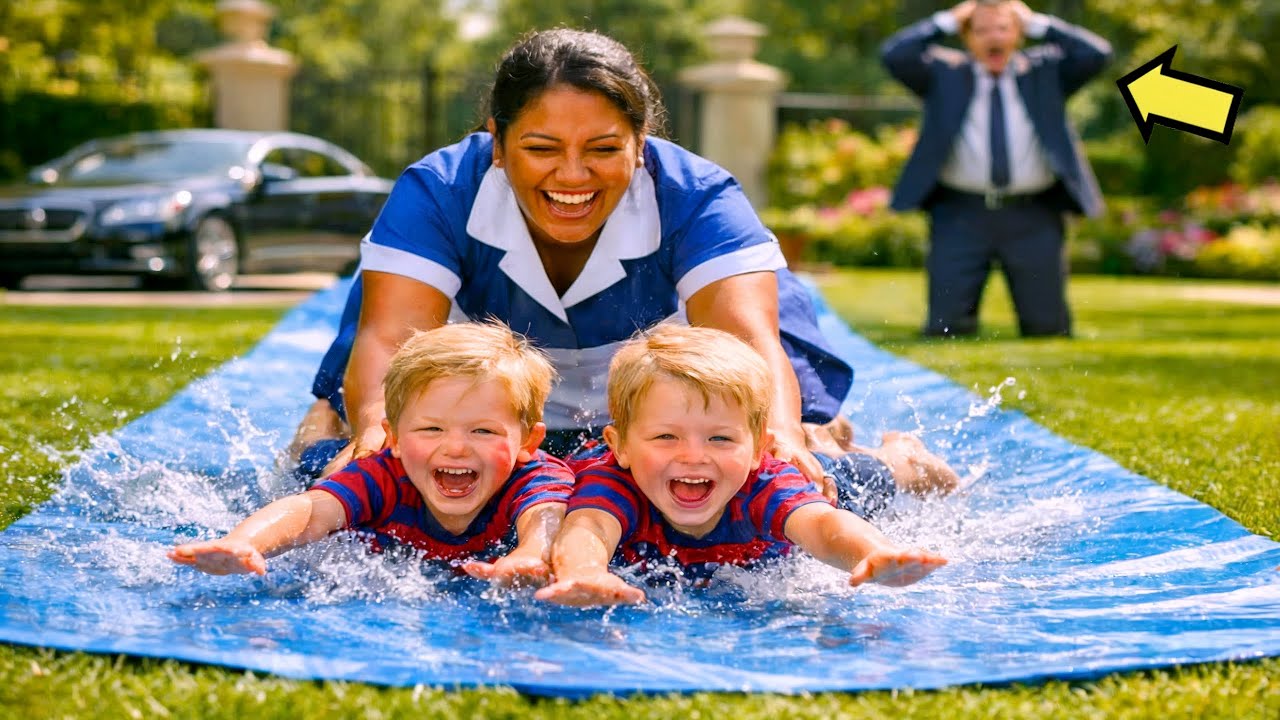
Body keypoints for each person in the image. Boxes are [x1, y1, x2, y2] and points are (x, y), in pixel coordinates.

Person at [292, 27, 957, 509]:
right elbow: (390, 337)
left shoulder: (697, 196)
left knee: (788, 482)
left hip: (673, 387)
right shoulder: (439, 189)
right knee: (343, 479)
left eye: (604, 149)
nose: (572, 175)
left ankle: (890, 461)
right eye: (542, 148)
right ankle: (329, 419)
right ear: (497, 143)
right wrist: (374, 428)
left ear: (641, 145)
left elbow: (749, 345)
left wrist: (781, 437)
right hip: (487, 388)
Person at [535, 325, 948, 606]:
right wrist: (585, 572)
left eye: (719, 438)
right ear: (621, 446)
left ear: (758, 450)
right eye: (666, 437)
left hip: (823, 476)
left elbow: (824, 525)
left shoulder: (766, 481)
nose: (693, 456)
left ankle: (898, 454)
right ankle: (823, 430)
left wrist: (873, 552)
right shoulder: (611, 481)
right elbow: (587, 528)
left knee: (868, 479)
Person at [170, 322, 574, 584]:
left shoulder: (536, 478)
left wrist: (529, 555)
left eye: (483, 431)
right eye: (431, 428)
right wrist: (243, 543)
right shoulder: (382, 474)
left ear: (528, 443)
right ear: (393, 437)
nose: (455, 447)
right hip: (331, 461)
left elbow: (547, 517)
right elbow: (309, 511)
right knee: (313, 462)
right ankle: (324, 415)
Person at [880, 0, 1111, 337]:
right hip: (960, 215)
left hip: (1033, 214)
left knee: (1048, 328)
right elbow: (895, 55)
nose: (994, 37)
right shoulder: (944, 74)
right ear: (966, 38)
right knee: (946, 329)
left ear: (1019, 33)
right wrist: (946, 21)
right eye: (982, 30)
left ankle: (1042, 317)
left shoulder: (1045, 72)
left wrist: (1039, 23)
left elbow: (1097, 54)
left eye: (1003, 28)